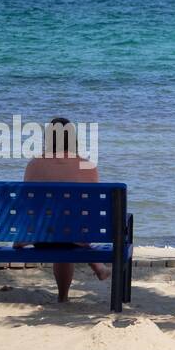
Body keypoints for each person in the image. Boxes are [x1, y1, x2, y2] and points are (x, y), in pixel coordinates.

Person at [21, 118, 109, 302]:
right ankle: (63, 296)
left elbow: (28, 204)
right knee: (68, 228)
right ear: (73, 139)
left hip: (41, 237)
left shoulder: (34, 165)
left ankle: (64, 294)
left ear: (48, 139)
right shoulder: (88, 166)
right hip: (74, 237)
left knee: (57, 225)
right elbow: (91, 208)